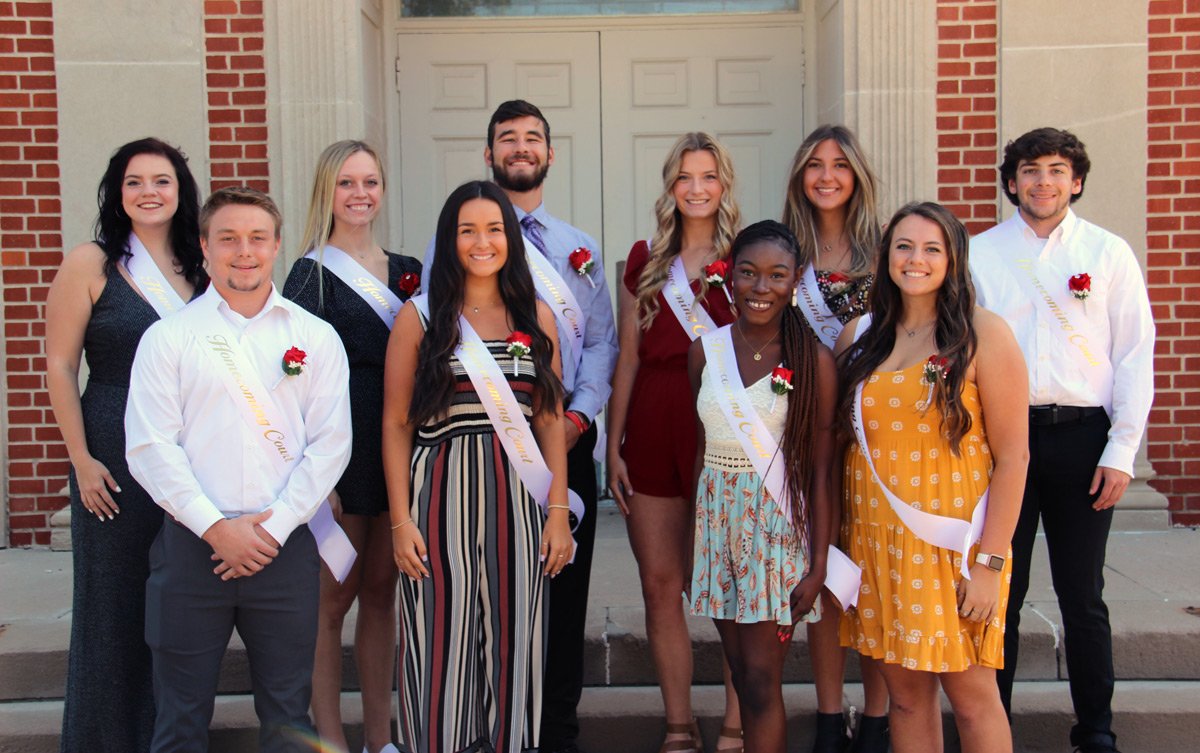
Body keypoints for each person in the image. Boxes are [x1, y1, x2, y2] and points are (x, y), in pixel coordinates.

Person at [125, 186, 352, 753]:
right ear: (204, 247)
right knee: (179, 718)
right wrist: (216, 528)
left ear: (277, 246)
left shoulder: (315, 337)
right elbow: (151, 448)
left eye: (256, 238)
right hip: (191, 547)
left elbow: (331, 446)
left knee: (286, 717)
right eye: (227, 238)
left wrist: (270, 530)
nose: (242, 251)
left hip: (285, 550)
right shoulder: (168, 338)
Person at [424, 100, 618, 753]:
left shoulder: (575, 248)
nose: (520, 147)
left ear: (550, 153)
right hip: (475, 443)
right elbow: (434, 335)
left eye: (532, 138)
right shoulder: (450, 242)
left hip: (562, 440)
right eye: (507, 138)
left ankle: (553, 732)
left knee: (560, 598)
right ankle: (485, 726)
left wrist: (577, 416)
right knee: (483, 594)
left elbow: (600, 343)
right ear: (489, 154)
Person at [971, 128, 1155, 753]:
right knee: (1002, 592)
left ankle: (1096, 731)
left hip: (1084, 439)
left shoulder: (1108, 254)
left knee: (1084, 596)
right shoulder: (979, 254)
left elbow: (1134, 354)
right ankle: (994, 727)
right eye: (1029, 169)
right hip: (1004, 443)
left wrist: (1122, 452)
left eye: (1056, 169)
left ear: (1075, 180)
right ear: (1013, 180)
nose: (1043, 181)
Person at [385, 180, 575, 753]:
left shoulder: (534, 315)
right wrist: (400, 522)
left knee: (514, 641)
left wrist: (559, 512)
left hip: (518, 499)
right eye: (467, 229)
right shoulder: (420, 318)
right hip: (437, 496)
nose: (482, 241)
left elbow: (548, 420)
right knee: (439, 641)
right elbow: (396, 424)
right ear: (450, 239)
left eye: (494, 229)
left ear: (510, 239)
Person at [835, 202, 1027, 753]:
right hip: (881, 547)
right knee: (906, 702)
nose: (915, 259)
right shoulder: (860, 336)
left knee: (972, 700)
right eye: (903, 246)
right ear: (886, 255)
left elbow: (1015, 458)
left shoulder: (983, 334)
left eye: (931, 248)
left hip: (957, 550)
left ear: (953, 260)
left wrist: (989, 564)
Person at [46, 137, 206, 753]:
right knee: (111, 605)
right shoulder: (91, 262)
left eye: (161, 181)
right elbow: (59, 367)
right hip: (110, 446)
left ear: (179, 191)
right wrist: (81, 460)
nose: (148, 192)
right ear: (118, 192)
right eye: (134, 181)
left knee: (177, 604)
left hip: (188, 447)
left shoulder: (202, 262)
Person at [607, 132, 744, 753]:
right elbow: (628, 358)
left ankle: (739, 723)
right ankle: (679, 725)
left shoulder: (747, 255)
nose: (696, 187)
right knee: (660, 584)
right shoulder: (643, 259)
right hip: (655, 421)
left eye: (708, 176)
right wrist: (613, 443)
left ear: (724, 185)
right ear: (669, 186)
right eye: (684, 176)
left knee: (734, 588)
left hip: (724, 427)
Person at [282, 140, 420, 753]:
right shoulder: (307, 276)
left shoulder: (411, 270)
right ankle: (332, 740)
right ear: (326, 192)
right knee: (331, 598)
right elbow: (293, 383)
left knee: (383, 592)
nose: (359, 194)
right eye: (346, 183)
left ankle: (381, 740)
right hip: (336, 447)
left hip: (396, 445)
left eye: (370, 181)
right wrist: (317, 478)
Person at [687, 220, 834, 752]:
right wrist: (691, 546)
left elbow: (820, 472)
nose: (761, 287)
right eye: (748, 273)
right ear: (731, 277)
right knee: (741, 674)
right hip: (717, 526)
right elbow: (703, 449)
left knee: (762, 679)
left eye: (777, 275)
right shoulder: (706, 351)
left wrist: (817, 567)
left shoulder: (812, 359)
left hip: (774, 532)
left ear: (796, 281)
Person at [781, 124, 889, 753]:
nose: (826, 176)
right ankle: (828, 719)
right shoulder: (782, 252)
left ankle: (874, 720)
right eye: (814, 164)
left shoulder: (887, 252)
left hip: (872, 441)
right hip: (800, 437)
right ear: (800, 175)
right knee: (820, 580)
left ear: (857, 176)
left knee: (868, 579)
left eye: (840, 165)